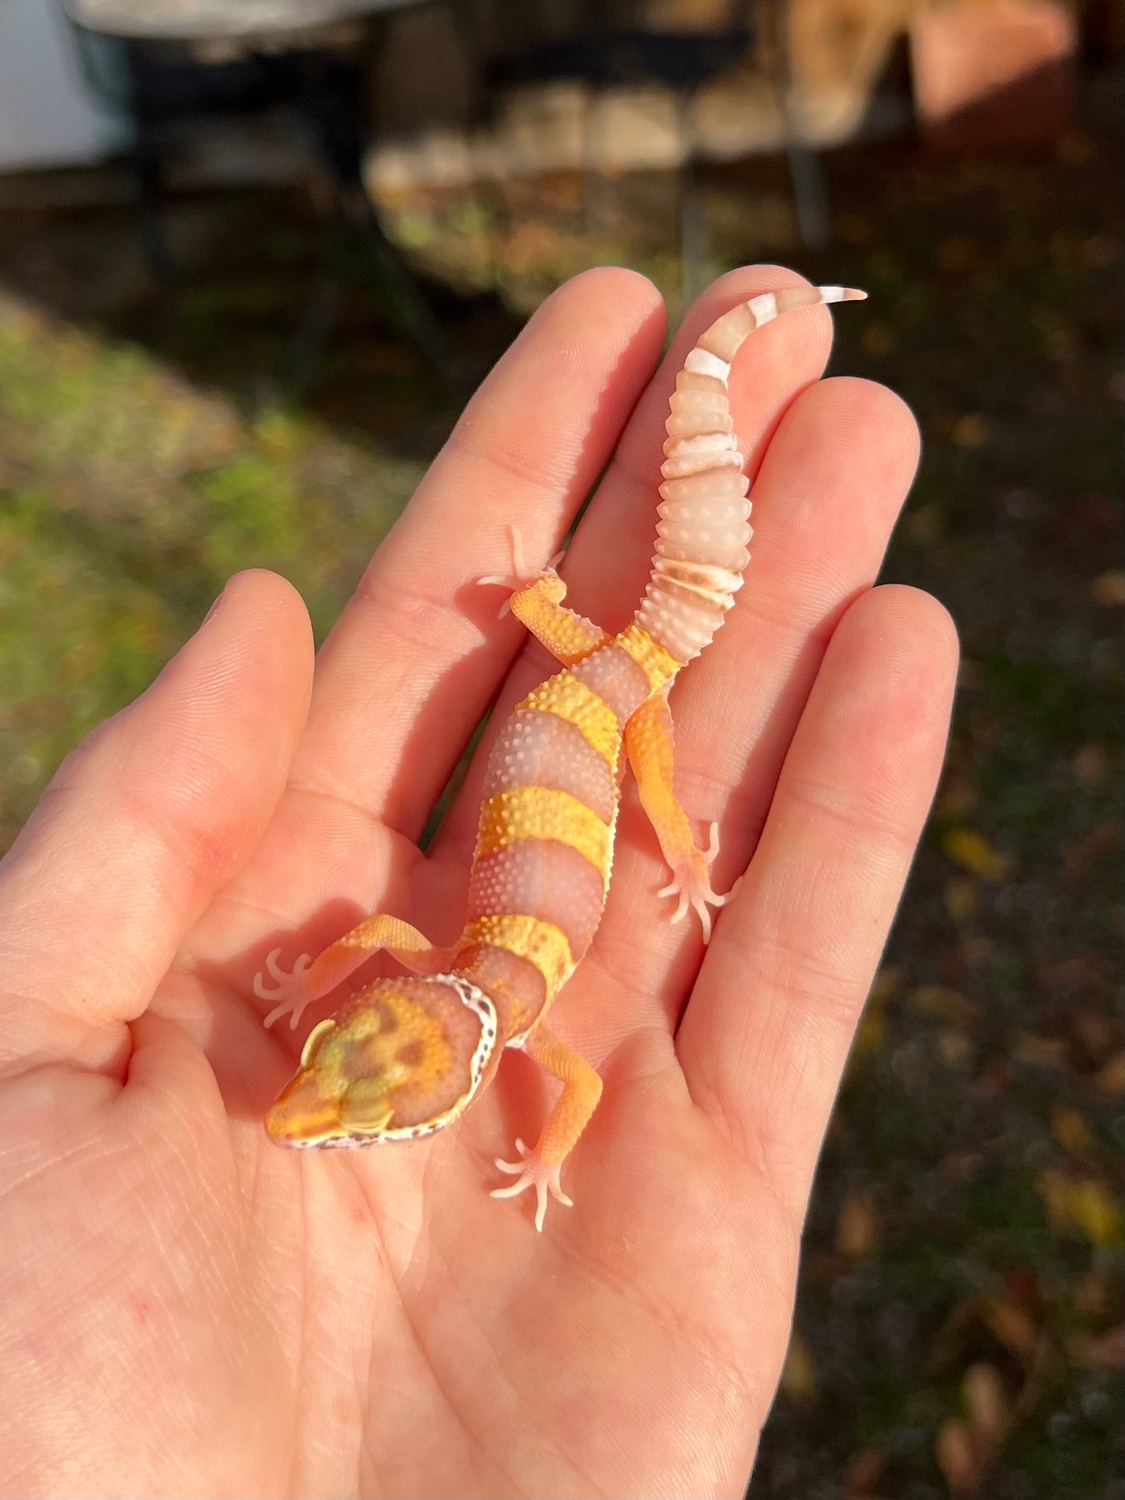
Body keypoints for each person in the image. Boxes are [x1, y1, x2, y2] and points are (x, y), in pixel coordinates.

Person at [0, 266, 957, 1497]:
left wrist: (680, 854)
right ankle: (719, 368)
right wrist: (351, 1008)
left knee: (666, 797)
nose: (317, 1103)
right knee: (646, 683)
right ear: (432, 1076)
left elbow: (408, 945)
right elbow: (486, 1017)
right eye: (356, 1091)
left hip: (614, 697)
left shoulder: (486, 997)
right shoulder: (519, 1023)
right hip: (593, 681)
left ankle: (728, 361)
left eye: (343, 1091)